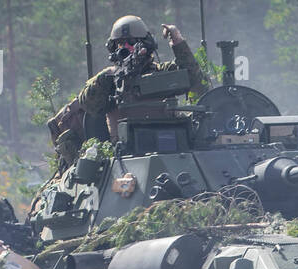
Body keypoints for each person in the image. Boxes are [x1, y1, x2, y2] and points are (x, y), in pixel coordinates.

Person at [47, 16, 207, 166]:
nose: (125, 48)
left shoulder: (163, 73)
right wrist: (108, 77)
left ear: (147, 44)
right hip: (124, 157)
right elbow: (89, 105)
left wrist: (177, 42)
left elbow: (194, 78)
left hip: (170, 149)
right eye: (120, 44)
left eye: (131, 42)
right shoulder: (109, 80)